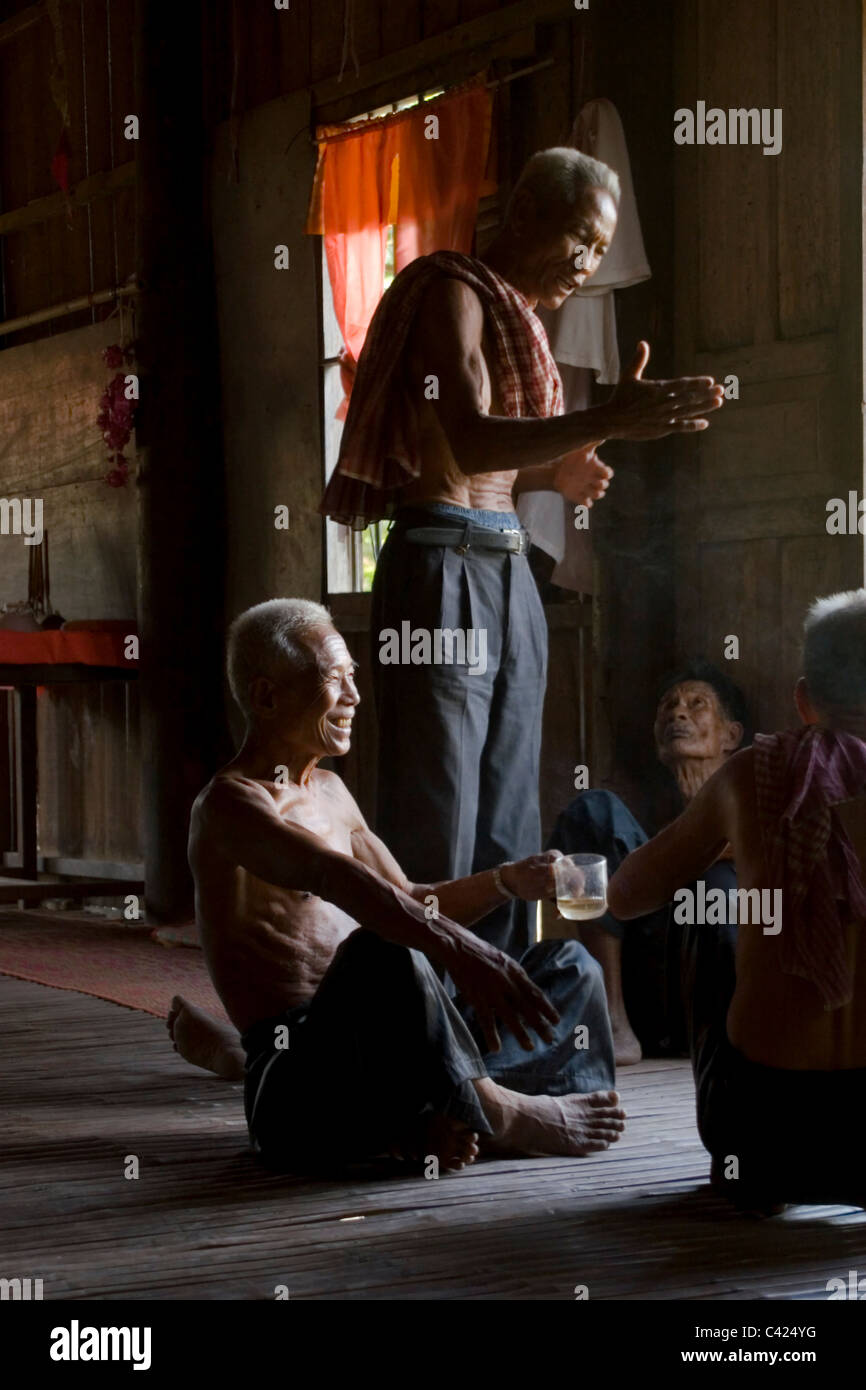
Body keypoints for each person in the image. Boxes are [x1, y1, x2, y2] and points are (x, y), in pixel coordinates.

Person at [321, 146, 724, 958]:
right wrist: (607, 418)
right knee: (439, 805)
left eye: (598, 250)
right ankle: (424, 1011)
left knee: (509, 810)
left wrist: (557, 472)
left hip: (506, 570)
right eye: (577, 237)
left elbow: (495, 465)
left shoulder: (519, 319)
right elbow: (464, 438)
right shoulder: (450, 291)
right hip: (442, 563)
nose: (584, 262)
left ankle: (496, 1001)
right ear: (526, 211)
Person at [170, 598, 626, 1175]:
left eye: (353, 678)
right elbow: (338, 879)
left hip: (395, 1051)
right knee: (384, 950)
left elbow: (410, 899)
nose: (354, 698)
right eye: (334, 681)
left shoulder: (332, 792)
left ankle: (445, 1111)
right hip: (304, 1074)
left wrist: (506, 881)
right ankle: (500, 1116)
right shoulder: (230, 805)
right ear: (266, 696)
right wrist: (468, 951)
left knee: (569, 970)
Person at [607, 591, 866, 1210]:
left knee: (713, 895)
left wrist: (741, 855)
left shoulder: (753, 774)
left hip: (760, 1142)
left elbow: (624, 895)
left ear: (803, 700)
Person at [549, 662, 747, 1064]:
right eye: (668, 707)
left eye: (697, 705)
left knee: (715, 882)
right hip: (652, 995)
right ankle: (612, 1021)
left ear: (731, 735)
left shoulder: (753, 791)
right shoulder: (641, 813)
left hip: (719, 994)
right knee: (592, 809)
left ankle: (731, 1034)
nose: (678, 713)